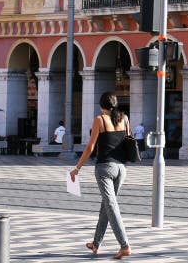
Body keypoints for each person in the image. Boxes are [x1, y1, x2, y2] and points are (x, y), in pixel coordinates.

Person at [70, 92, 131, 260]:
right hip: (121, 169)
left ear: (101, 105)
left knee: (111, 206)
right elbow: (129, 141)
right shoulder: (124, 119)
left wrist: (77, 168)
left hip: (104, 168)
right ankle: (96, 243)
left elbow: (90, 147)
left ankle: (124, 245)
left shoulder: (100, 120)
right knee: (107, 205)